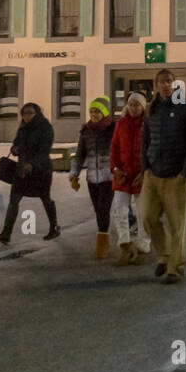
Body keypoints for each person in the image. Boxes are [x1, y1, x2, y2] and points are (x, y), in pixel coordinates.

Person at [140, 69, 186, 283]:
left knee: (177, 225)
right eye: (161, 82)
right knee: (148, 218)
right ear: (156, 85)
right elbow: (144, 140)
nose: (165, 85)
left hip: (176, 176)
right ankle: (164, 255)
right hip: (153, 174)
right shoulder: (151, 110)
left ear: (174, 84)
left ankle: (176, 268)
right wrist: (145, 168)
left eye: (169, 81)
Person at [0, 102, 59, 244]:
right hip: (22, 170)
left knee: (45, 198)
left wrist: (32, 164)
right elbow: (15, 144)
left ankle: (54, 227)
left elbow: (44, 151)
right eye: (24, 113)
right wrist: (15, 149)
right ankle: (6, 234)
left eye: (30, 113)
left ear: (37, 113)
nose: (27, 116)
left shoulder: (45, 127)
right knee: (13, 200)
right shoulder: (23, 127)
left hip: (40, 170)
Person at [69, 95, 115, 259]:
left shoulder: (113, 129)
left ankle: (102, 243)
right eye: (91, 111)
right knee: (99, 210)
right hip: (92, 178)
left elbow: (120, 150)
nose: (94, 114)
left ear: (104, 113)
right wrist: (74, 174)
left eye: (97, 111)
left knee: (103, 209)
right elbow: (80, 155)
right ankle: (109, 232)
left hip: (109, 177)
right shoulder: (86, 131)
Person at [110, 92, 153, 263]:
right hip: (123, 175)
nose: (133, 108)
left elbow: (152, 150)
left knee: (144, 212)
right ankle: (124, 243)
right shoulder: (121, 124)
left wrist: (145, 172)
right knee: (119, 209)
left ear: (143, 107)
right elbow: (114, 147)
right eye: (131, 104)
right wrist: (115, 169)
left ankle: (143, 244)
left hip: (141, 176)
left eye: (137, 105)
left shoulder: (148, 125)